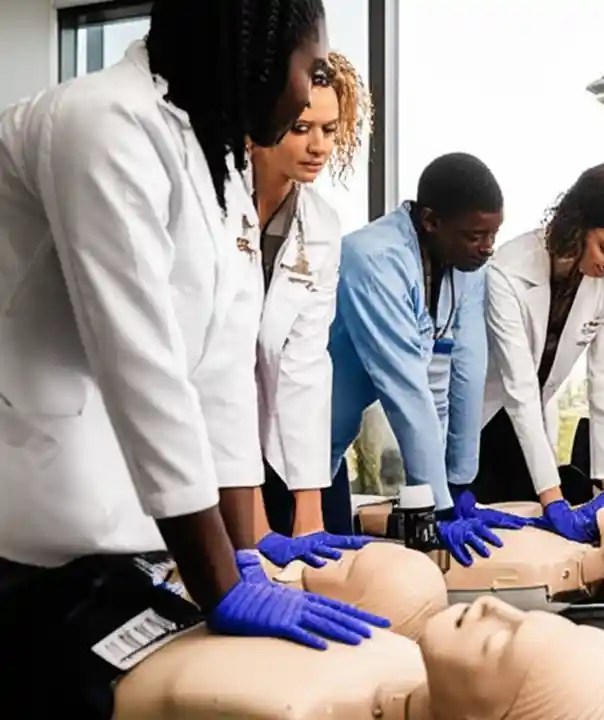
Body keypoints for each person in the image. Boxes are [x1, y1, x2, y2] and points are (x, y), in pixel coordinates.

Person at [0, 1, 386, 716]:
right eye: (311, 68)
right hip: (28, 491)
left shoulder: (221, 163)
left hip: (104, 504)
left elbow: (221, 365)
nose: (309, 93)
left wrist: (246, 549)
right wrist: (222, 584)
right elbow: (139, 358)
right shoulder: (103, 121)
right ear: (258, 54)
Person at [328, 152, 508, 566]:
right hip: (285, 449)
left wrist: (459, 479)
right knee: (310, 581)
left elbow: (462, 365)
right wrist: (438, 505)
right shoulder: (373, 260)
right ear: (430, 221)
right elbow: (406, 389)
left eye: (493, 235)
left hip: (329, 452)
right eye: (474, 236)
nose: (487, 249)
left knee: (341, 578)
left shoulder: (464, 265)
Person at [472, 163, 604, 543]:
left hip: (532, 416)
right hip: (481, 416)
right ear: (577, 227)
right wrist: (553, 499)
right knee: (499, 528)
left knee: (536, 530)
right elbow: (518, 387)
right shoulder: (508, 270)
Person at [253, 51, 378, 559]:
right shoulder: (209, 206)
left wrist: (309, 513)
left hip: (259, 432)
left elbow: (305, 365)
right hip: (180, 422)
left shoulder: (321, 228)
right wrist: (255, 524)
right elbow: (217, 368)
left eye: (329, 129)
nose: (319, 146)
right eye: (302, 127)